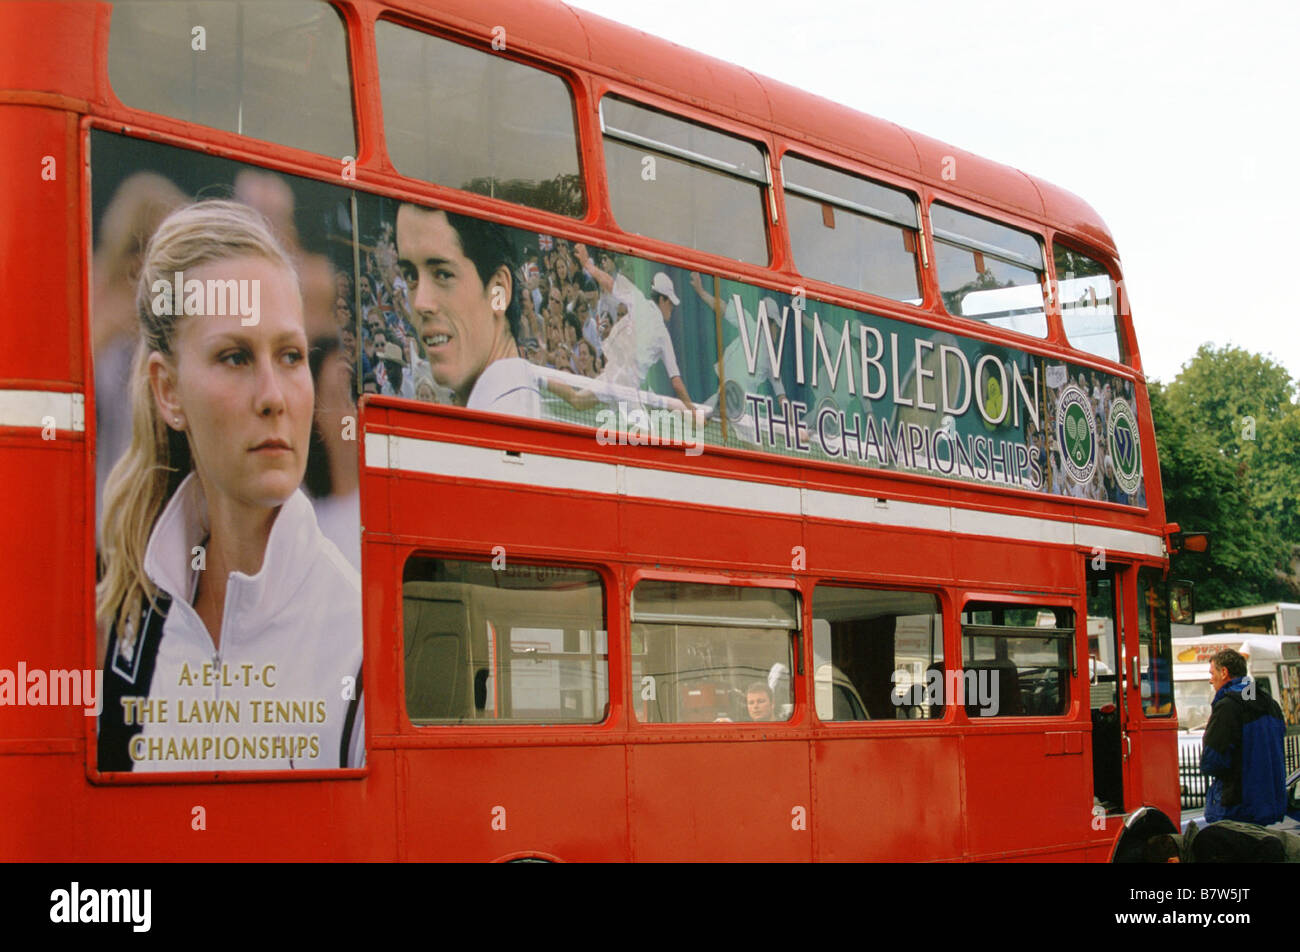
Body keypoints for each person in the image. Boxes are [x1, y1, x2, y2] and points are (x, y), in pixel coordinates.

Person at [96, 200, 363, 773]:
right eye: (235, 357)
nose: (274, 395)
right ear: (168, 391)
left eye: (291, 355)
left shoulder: (366, 641)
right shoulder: (127, 632)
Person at [394, 201, 541, 418]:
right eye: (411, 276)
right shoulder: (495, 405)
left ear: (498, 291)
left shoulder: (505, 419)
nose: (420, 304)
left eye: (443, 274)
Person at [551, 243, 696, 413]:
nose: (671, 308)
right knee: (645, 439)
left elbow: (609, 283)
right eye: (670, 303)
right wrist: (693, 411)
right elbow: (676, 382)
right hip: (625, 388)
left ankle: (539, 378)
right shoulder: (662, 334)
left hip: (613, 375)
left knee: (578, 400)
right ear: (663, 299)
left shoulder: (639, 301)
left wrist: (587, 264)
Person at [1200, 648, 1286, 824]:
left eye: (1212, 673)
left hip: (1235, 805)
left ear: (1224, 672)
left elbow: (1212, 761)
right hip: (1267, 803)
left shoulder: (1227, 707)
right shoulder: (1271, 704)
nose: (1210, 679)